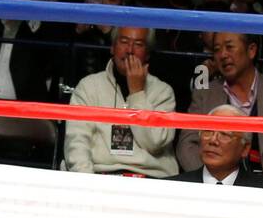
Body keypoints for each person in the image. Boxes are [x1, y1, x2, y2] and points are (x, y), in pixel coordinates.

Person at [64, 27, 178, 178]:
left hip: (149, 180)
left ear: (148, 53)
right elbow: (76, 143)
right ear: (112, 47)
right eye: (124, 41)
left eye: (138, 44)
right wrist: (88, 184)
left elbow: (154, 143)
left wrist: (137, 94)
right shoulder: (88, 86)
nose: (130, 50)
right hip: (100, 177)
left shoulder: (163, 92)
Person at [177, 32, 263, 175]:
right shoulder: (205, 93)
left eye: (229, 47)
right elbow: (187, 146)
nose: (222, 55)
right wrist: (211, 178)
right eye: (217, 49)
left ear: (251, 50)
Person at [168, 105, 263, 187]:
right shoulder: (173, 187)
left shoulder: (262, 191)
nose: (213, 140)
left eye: (224, 134)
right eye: (208, 131)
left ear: (245, 149)